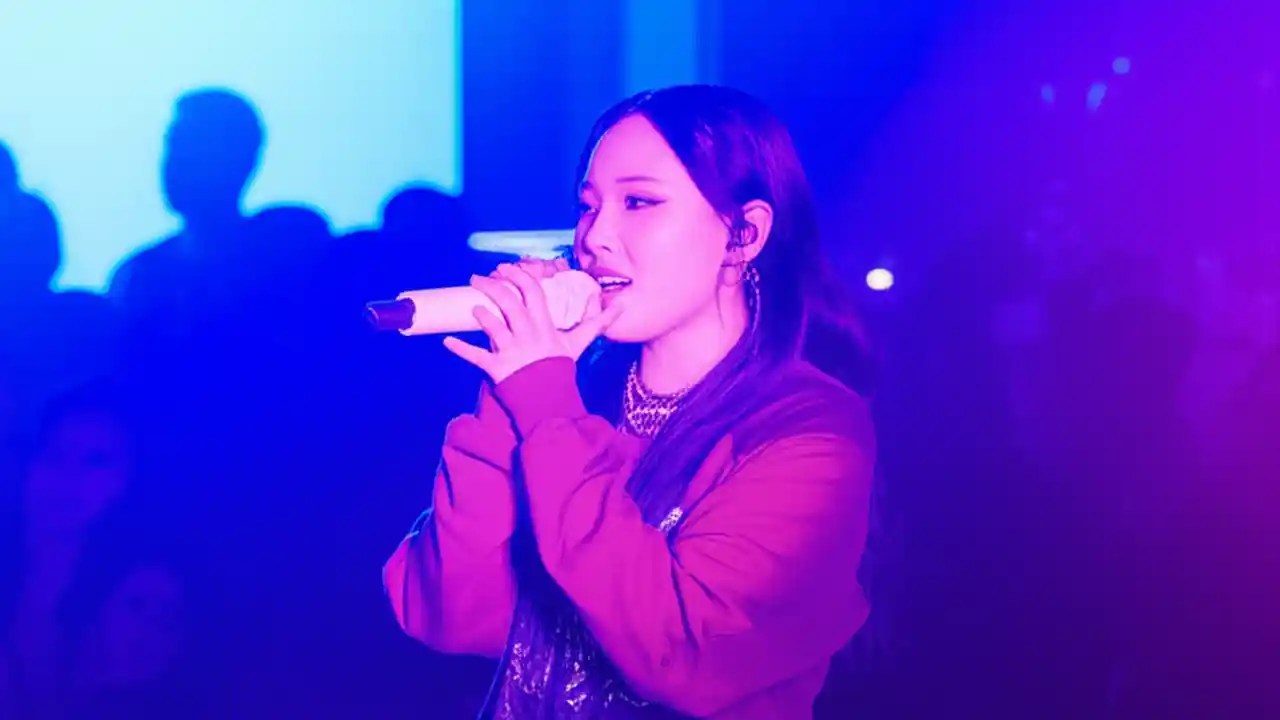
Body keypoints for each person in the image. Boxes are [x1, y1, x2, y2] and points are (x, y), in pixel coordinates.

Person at [383, 85, 876, 719]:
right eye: (587, 207)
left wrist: (543, 404)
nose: (594, 237)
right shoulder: (565, 394)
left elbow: (688, 656)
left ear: (744, 235)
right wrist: (514, 401)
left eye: (638, 202)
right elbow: (448, 614)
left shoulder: (809, 431)